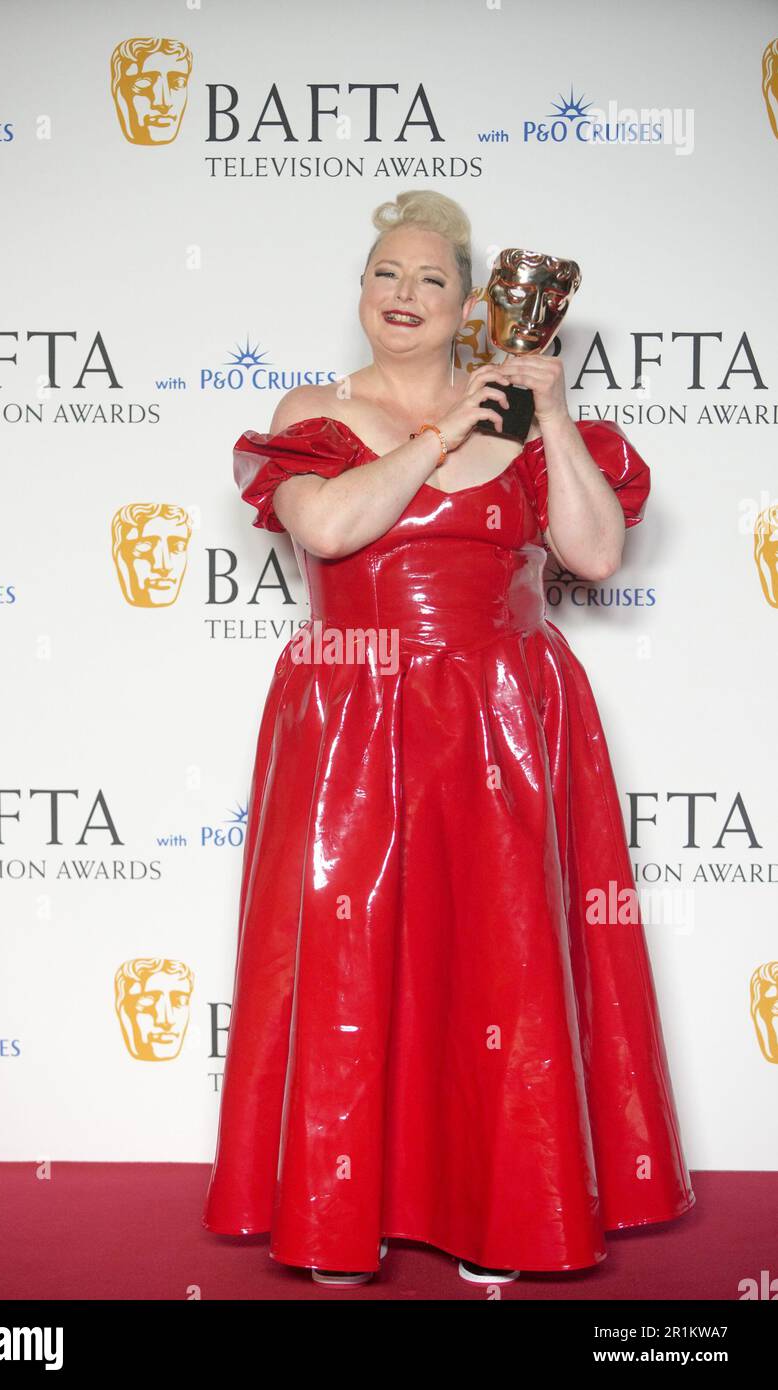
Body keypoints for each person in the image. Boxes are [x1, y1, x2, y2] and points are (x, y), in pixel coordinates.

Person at [203, 189, 695, 1288]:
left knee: (500, 966)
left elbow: (597, 552)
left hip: (504, 720)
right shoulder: (315, 412)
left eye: (431, 278)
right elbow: (329, 527)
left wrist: (546, 411)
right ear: (362, 293)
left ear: (470, 302)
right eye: (387, 273)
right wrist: (441, 432)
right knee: (347, 965)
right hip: (351, 716)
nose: (405, 294)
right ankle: (339, 1218)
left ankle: (504, 1212)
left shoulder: (523, 427)